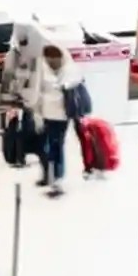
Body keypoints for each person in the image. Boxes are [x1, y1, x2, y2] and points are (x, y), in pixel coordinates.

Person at [23, 45, 82, 197]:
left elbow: (72, 88)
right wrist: (36, 112)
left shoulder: (70, 69)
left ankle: (57, 180)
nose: (51, 63)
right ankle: (47, 176)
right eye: (49, 60)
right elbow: (36, 90)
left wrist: (55, 91)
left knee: (56, 146)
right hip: (45, 114)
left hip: (62, 116)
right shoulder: (42, 68)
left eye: (54, 60)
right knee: (43, 146)